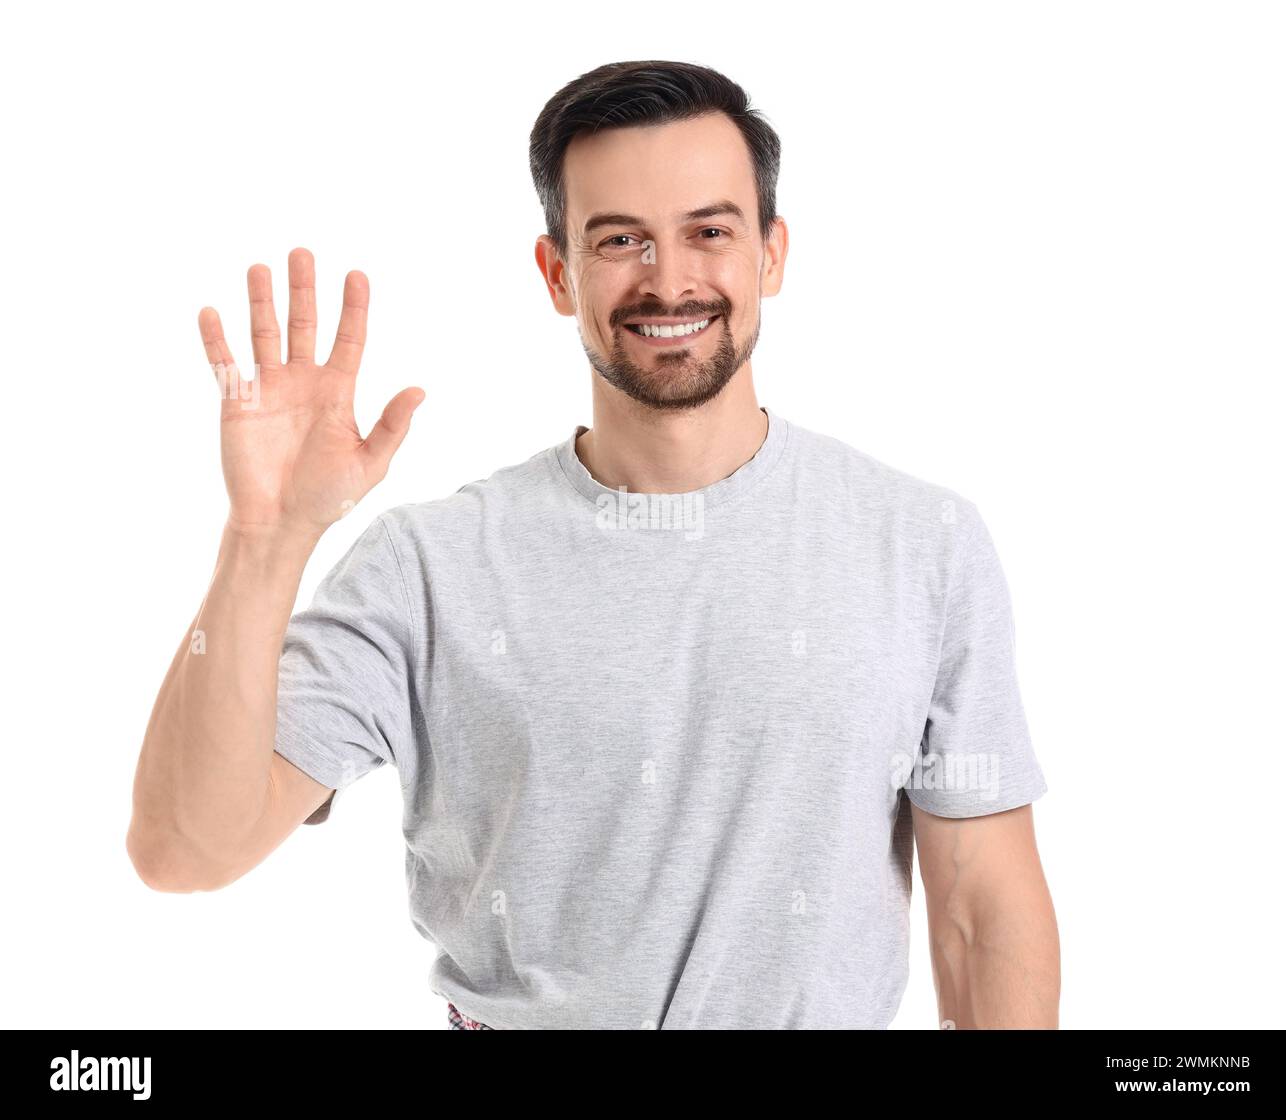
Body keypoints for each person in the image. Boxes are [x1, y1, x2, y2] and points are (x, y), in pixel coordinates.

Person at [128, 60, 1059, 1030]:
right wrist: (264, 542)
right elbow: (185, 848)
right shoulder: (429, 570)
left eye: (709, 231)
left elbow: (979, 907)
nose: (668, 279)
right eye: (621, 240)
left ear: (770, 256)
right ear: (558, 272)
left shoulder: (923, 546)